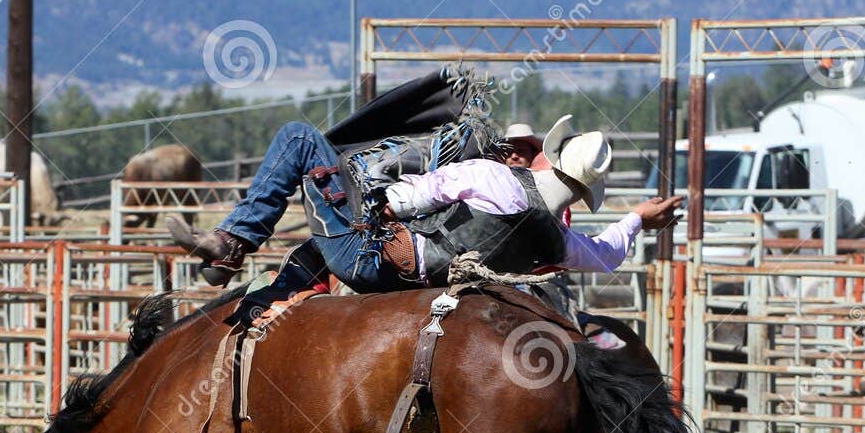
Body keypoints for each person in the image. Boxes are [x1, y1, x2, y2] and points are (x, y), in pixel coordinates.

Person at [166, 114, 683, 291]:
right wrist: (638, 218)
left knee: (302, 138)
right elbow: (608, 254)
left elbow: (407, 196)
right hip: (423, 280)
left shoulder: (490, 175)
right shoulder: (561, 240)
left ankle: (234, 243)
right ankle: (231, 255)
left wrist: (367, 198)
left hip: (370, 261)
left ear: (548, 159)